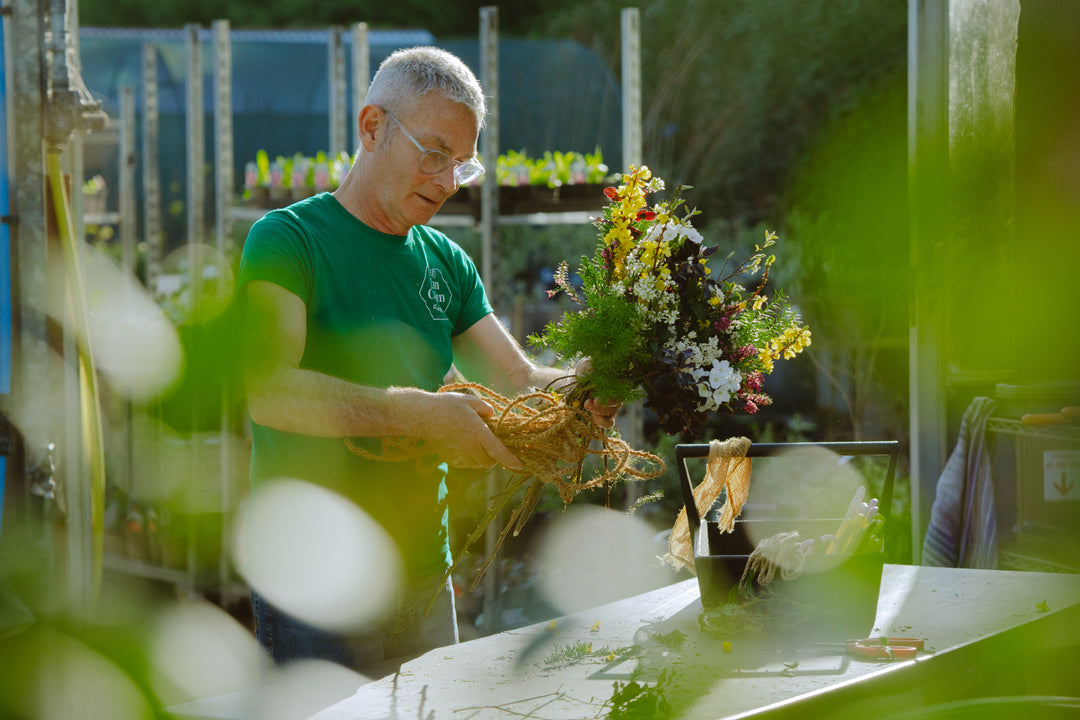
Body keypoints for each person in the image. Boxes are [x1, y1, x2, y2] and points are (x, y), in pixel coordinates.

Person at [237, 46, 618, 674]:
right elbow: (269, 390)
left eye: (462, 166)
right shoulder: (288, 240)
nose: (446, 183)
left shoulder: (446, 261)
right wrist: (415, 415)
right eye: (434, 154)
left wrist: (580, 387)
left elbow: (518, 379)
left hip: (422, 578)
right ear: (372, 127)